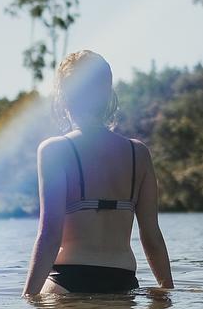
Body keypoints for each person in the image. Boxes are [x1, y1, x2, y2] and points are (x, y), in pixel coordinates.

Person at [23, 50, 174, 295]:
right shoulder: (139, 154)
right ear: (108, 96)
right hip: (123, 283)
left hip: (68, 281)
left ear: (64, 97)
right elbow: (152, 235)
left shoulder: (54, 150)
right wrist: (167, 291)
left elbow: (50, 235)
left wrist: (27, 297)